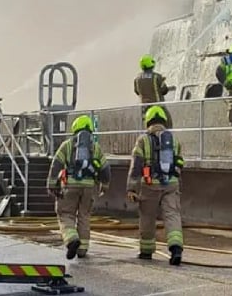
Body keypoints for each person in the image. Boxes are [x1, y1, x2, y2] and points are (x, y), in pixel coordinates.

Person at [46, 115, 111, 259]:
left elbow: (56, 165)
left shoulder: (67, 145)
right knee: (84, 216)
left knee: (65, 214)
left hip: (70, 184)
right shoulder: (95, 148)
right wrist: (105, 184)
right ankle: (82, 250)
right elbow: (106, 169)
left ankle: (71, 239)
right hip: (89, 187)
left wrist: (51, 185)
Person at [126, 105, 184, 266]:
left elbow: (136, 165)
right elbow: (180, 161)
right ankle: (176, 247)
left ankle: (146, 250)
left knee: (147, 217)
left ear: (148, 122)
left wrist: (132, 188)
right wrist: (175, 178)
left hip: (149, 184)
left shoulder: (143, 140)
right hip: (171, 183)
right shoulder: (174, 140)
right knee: (172, 215)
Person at [134, 54, 173, 128]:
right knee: (168, 124)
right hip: (158, 107)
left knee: (148, 128)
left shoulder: (137, 78)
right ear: (152, 64)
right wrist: (162, 82)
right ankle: (167, 138)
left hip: (145, 108)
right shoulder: (157, 76)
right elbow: (164, 91)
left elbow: (137, 91)